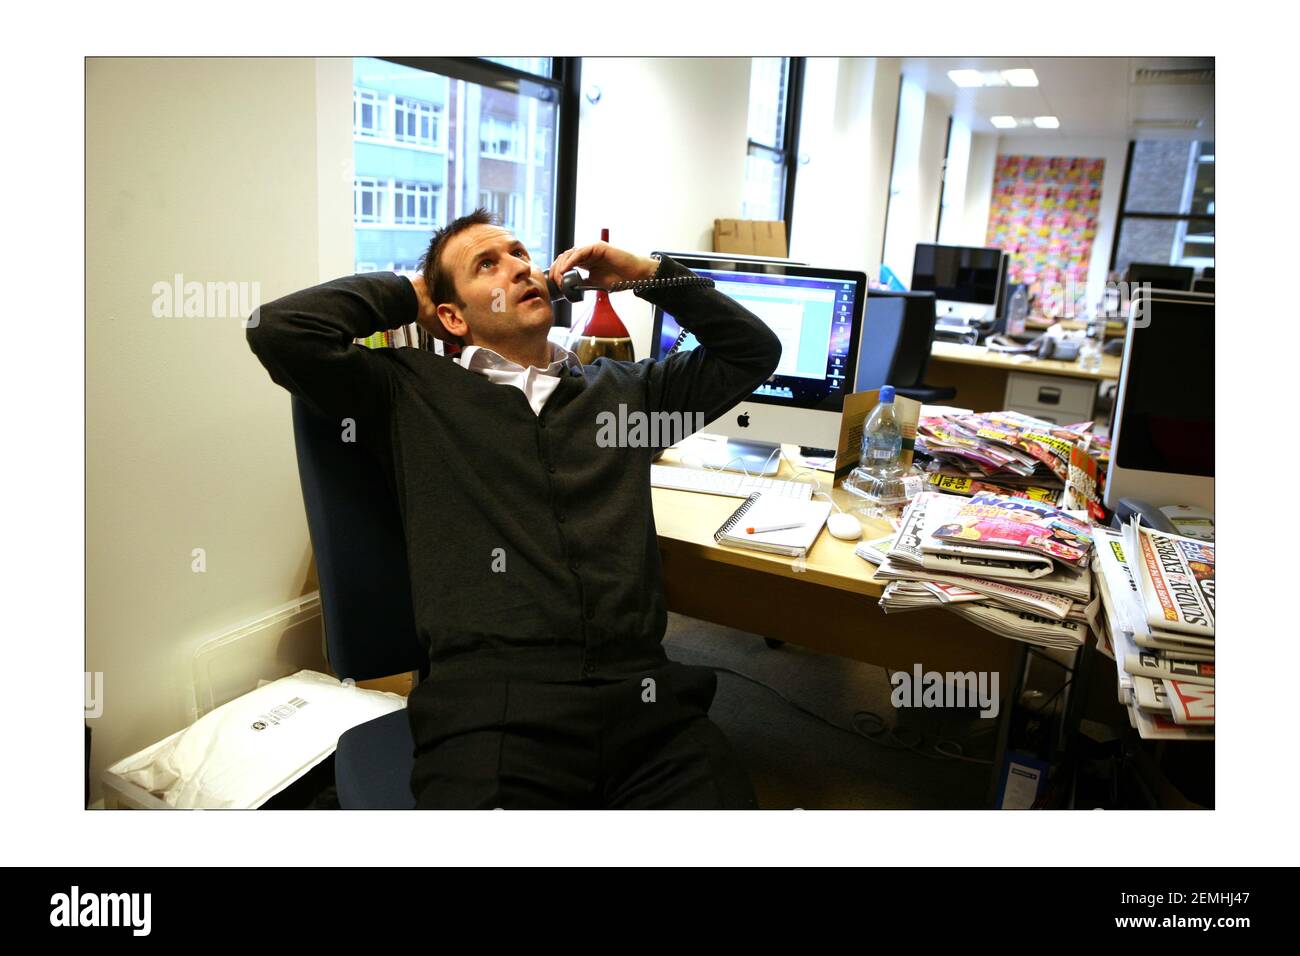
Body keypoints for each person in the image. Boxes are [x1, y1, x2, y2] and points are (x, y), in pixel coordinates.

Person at [247, 209, 782, 808]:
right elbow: (277, 329)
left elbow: (752, 352)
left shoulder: (627, 396)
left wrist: (648, 274)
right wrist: (415, 292)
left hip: (645, 701)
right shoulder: (407, 393)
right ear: (450, 315)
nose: (521, 268)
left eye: (521, 255)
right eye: (487, 264)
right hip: (490, 709)